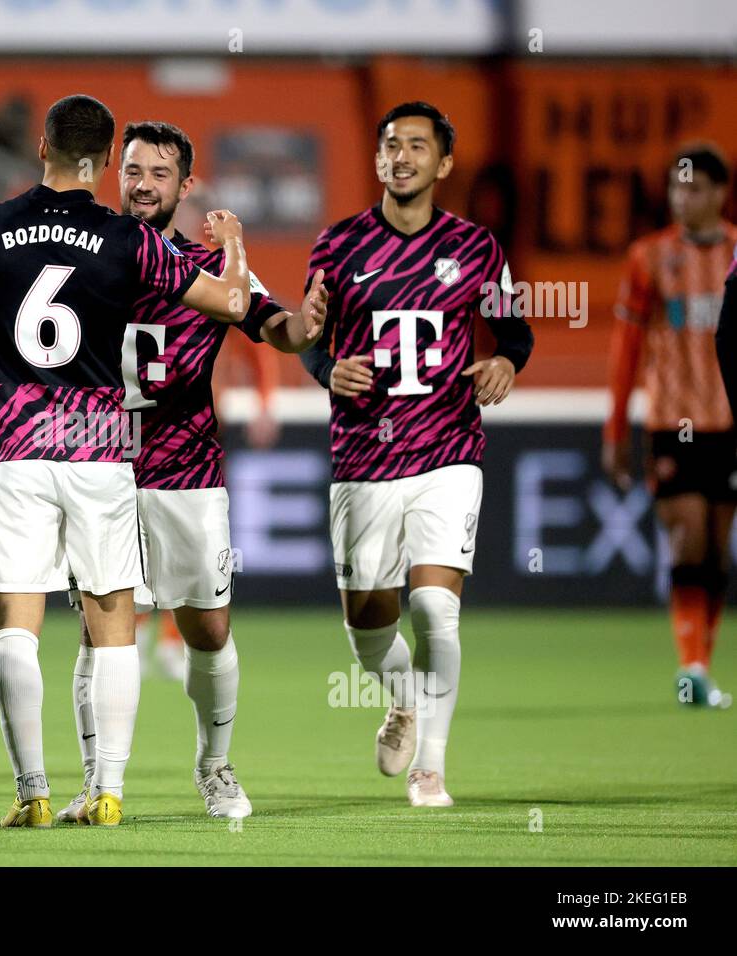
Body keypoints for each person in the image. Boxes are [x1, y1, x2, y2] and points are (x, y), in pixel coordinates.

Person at [0, 94, 251, 827]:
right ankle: (111, 791)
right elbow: (234, 303)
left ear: (43, 150)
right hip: (99, 451)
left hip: (16, 449)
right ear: (105, 159)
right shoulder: (128, 239)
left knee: (16, 623)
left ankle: (32, 793)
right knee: (113, 615)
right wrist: (235, 248)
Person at [54, 120, 325, 822]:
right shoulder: (86, 252)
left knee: (207, 630)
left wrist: (310, 322)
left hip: (187, 470)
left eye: (160, 173)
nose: (143, 184)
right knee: (99, 629)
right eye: (134, 170)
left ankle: (214, 765)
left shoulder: (209, 267)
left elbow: (278, 329)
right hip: (101, 469)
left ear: (185, 184)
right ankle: (97, 782)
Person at [301, 102, 534, 807]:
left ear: (444, 163)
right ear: (377, 160)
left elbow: (513, 331)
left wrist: (506, 365)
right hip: (363, 458)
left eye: (416, 146)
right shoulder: (337, 246)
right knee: (368, 622)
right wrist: (324, 368)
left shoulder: (475, 248)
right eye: (390, 145)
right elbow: (305, 334)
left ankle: (431, 766)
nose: (401, 156)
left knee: (434, 606)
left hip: (448, 449)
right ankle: (403, 698)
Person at [604, 144, 736, 709]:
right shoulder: (649, 258)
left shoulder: (736, 253)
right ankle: (690, 668)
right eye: (677, 187)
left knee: (718, 552)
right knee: (688, 538)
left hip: (730, 421)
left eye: (695, 188)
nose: (684, 198)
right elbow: (626, 349)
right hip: (672, 422)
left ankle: (701, 667)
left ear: (719, 193)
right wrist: (615, 431)